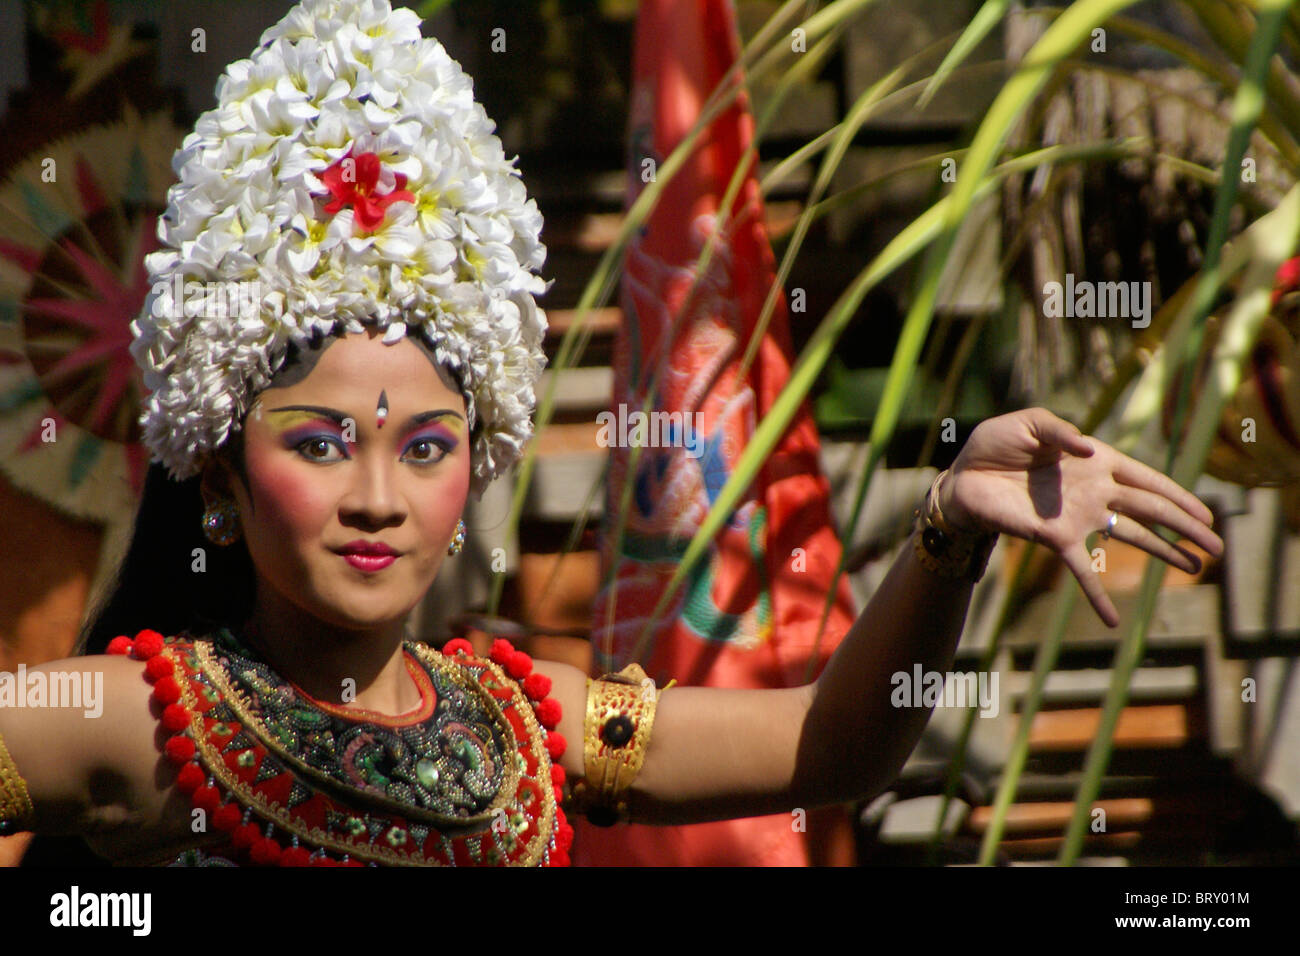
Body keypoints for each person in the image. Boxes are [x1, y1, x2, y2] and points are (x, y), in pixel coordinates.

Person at [0, 0, 1223, 866]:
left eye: (425, 446)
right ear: (218, 465)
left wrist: (946, 527)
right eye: (319, 442)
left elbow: (829, 745)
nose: (377, 495)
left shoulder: (534, 726)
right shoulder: (137, 716)